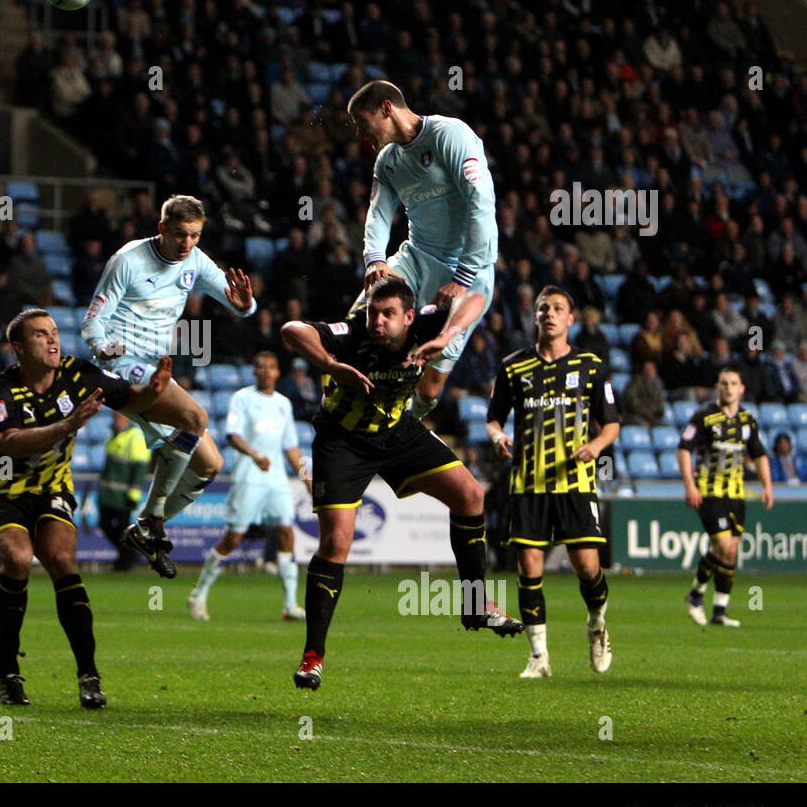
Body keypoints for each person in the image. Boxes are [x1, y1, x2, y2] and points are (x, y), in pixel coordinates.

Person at [280, 277, 522, 691]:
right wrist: (331, 364)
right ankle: (313, 657)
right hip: (343, 441)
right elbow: (290, 331)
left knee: (470, 494)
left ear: (409, 317)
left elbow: (478, 298)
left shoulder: (427, 326)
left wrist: (447, 334)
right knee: (336, 543)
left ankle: (475, 603)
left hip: (397, 431)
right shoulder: (352, 333)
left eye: (388, 314)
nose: (377, 321)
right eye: (374, 312)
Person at [0, 309, 179, 708]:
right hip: (2, 492)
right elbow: (9, 443)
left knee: (63, 561)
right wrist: (68, 425)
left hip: (52, 488)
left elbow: (130, 400)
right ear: (17, 347)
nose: (52, 341)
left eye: (54, 333)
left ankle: (89, 676)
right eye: (39, 335)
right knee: (17, 559)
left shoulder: (79, 373)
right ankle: (7, 673)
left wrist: (152, 391)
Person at [81, 194, 256, 578]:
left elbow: (236, 302)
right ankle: (155, 520)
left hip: (157, 370)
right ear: (162, 229)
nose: (187, 244)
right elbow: (92, 323)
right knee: (196, 416)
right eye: (179, 234)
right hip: (121, 367)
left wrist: (245, 305)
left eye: (194, 235)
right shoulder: (127, 261)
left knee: (211, 464)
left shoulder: (194, 261)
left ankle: (144, 528)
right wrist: (106, 347)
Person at [486, 285, 622, 679]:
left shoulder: (591, 366)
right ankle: (538, 656)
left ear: (570, 319)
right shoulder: (514, 366)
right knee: (528, 567)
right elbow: (493, 418)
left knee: (587, 568)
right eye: (543, 308)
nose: (549, 313)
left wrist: (596, 446)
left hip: (575, 483)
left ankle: (597, 623)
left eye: (558, 308)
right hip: (528, 484)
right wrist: (497, 437)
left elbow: (612, 422)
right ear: (535, 316)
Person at [351, 80, 498, 422]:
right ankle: (349, 413)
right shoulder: (387, 161)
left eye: (363, 123)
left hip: (469, 268)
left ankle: (408, 427)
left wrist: (463, 277)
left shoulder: (450, 135)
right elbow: (379, 214)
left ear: (387, 108)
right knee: (363, 315)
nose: (361, 135)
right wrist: (374, 258)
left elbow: (481, 206)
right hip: (417, 256)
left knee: (430, 387)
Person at [188, 351, 311, 621]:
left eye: (270, 367)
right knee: (233, 537)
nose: (266, 371)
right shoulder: (242, 398)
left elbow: (290, 445)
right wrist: (255, 455)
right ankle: (199, 593)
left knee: (286, 533)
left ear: (278, 372)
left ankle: (290, 604)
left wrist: (306, 477)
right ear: (254, 372)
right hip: (249, 477)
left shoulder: (283, 404)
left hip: (276, 480)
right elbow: (233, 435)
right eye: (260, 367)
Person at [678, 367, 773, 628]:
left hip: (736, 494)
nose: (728, 388)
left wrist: (767, 486)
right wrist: (690, 485)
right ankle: (696, 595)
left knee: (730, 553)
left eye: (733, 383)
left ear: (741, 388)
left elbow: (760, 454)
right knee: (723, 546)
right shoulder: (704, 416)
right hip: (710, 492)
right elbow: (684, 448)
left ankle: (718, 610)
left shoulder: (748, 420)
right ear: (717, 387)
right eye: (723, 383)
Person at [95, 411, 150, 571]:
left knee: (122, 528)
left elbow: (140, 468)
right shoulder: (112, 435)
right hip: (107, 493)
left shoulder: (135, 437)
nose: (116, 420)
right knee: (105, 525)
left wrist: (133, 493)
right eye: (115, 417)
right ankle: (127, 555)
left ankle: (126, 559)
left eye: (120, 417)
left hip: (123, 495)